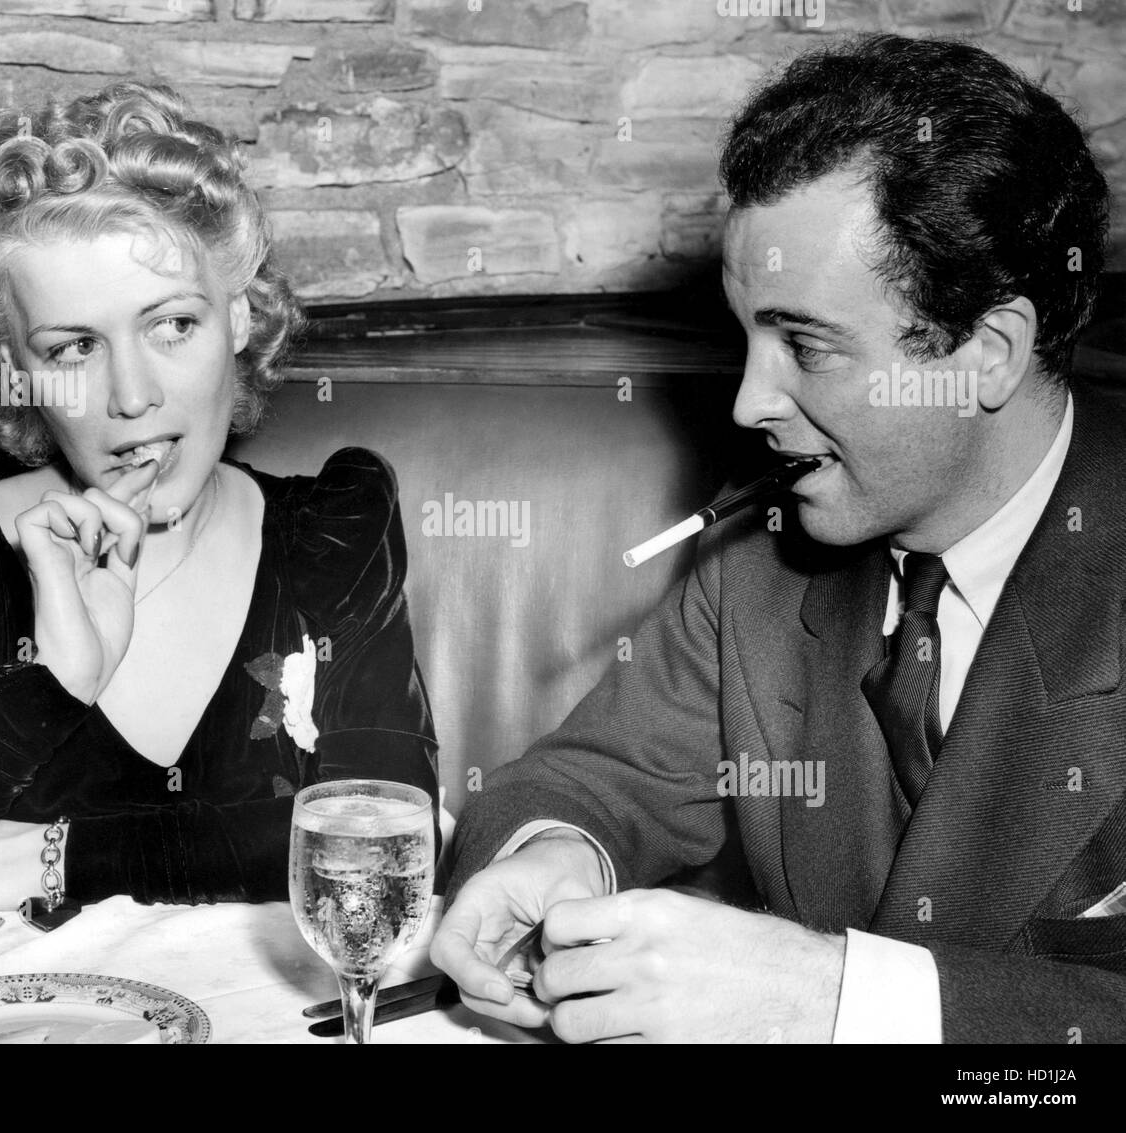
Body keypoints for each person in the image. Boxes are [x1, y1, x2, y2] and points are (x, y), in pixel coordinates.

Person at [432, 33, 1126, 1043]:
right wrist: (553, 852)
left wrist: (827, 994)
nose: (753, 400)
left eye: (805, 345)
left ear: (985, 352)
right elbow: (591, 778)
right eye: (744, 334)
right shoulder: (759, 560)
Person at [0, 81, 438, 937]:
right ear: (11, 364)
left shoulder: (335, 532)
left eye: (172, 326)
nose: (133, 397)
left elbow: (394, 842)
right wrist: (55, 682)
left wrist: (51, 855)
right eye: (75, 346)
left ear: (237, 316)